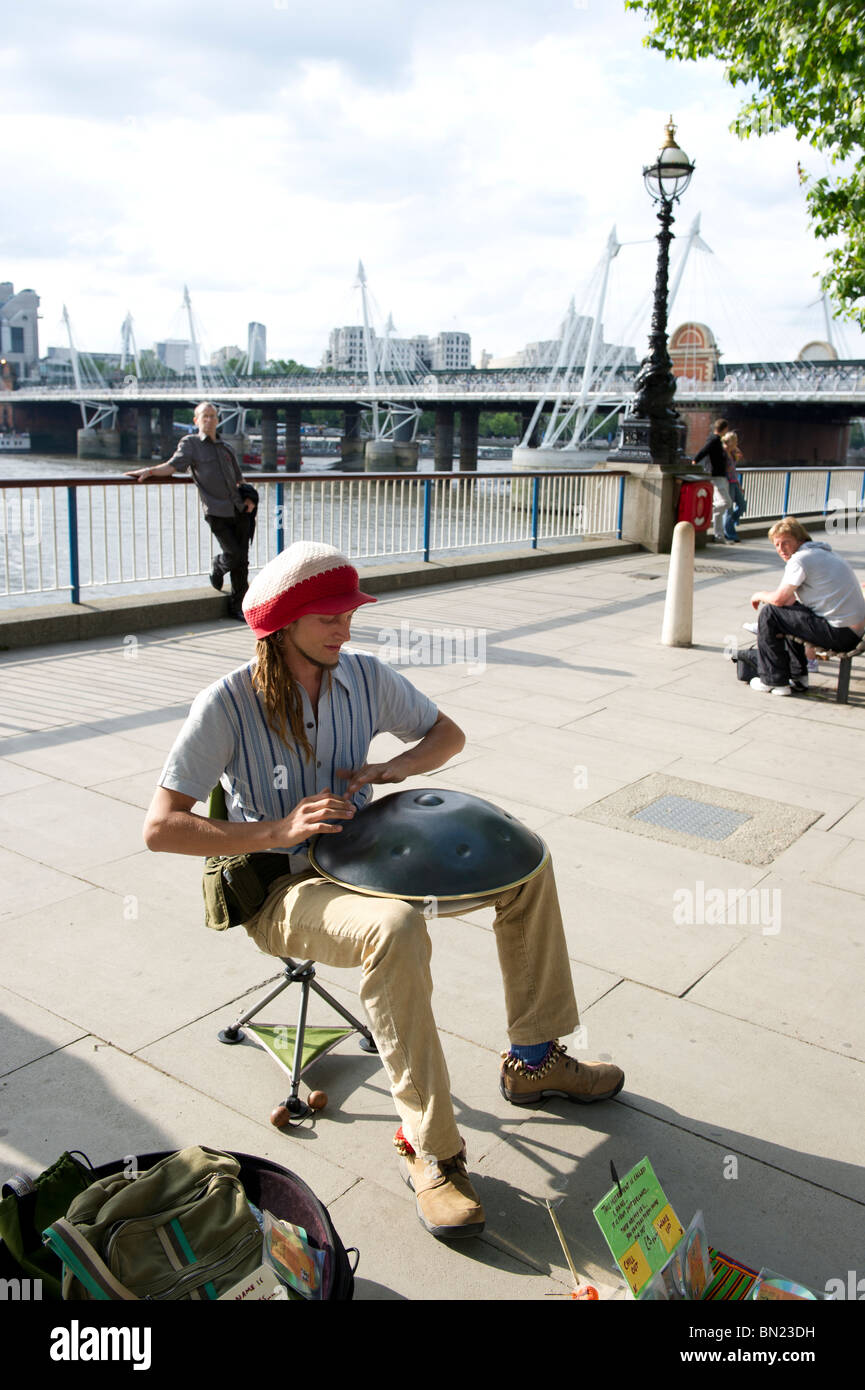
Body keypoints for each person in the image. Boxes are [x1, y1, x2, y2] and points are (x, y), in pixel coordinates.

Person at [142, 540, 624, 1240]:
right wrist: (275, 829)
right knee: (394, 929)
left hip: (369, 861)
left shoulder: (363, 675)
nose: (345, 628)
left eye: (349, 613)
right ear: (281, 625)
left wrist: (387, 771)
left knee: (525, 865)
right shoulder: (226, 702)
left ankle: (534, 1059)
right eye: (328, 617)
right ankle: (430, 1149)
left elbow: (446, 735)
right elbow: (161, 828)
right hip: (285, 888)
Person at [126, 402, 256, 619]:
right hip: (216, 510)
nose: (209, 420)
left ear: (217, 419)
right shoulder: (191, 444)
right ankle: (218, 564)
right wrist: (149, 471)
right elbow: (172, 466)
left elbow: (239, 479)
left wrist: (249, 498)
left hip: (239, 509)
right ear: (196, 420)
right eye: (204, 416)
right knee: (233, 555)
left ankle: (238, 608)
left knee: (242, 562)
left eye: (213, 416)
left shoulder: (226, 448)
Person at [747, 518, 865, 695]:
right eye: (777, 545)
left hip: (841, 635)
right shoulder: (823, 553)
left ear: (800, 539)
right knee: (787, 612)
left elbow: (778, 599)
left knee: (769, 614)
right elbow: (787, 602)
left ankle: (773, 681)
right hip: (851, 632)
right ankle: (798, 678)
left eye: (785, 542)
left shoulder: (801, 559)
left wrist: (759, 594)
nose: (781, 549)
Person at [692, 417, 731, 543]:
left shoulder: (718, 440)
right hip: (716, 475)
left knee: (722, 507)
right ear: (724, 429)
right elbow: (705, 450)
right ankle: (709, 511)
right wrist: (695, 460)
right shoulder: (714, 440)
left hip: (720, 475)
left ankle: (719, 536)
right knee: (726, 503)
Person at [721, 430, 746, 544]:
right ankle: (730, 533)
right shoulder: (724, 451)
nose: (736, 442)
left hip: (734, 481)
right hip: (727, 482)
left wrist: (739, 485)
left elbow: (740, 456)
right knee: (729, 509)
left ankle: (728, 524)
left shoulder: (732, 452)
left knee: (742, 505)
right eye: (734, 440)